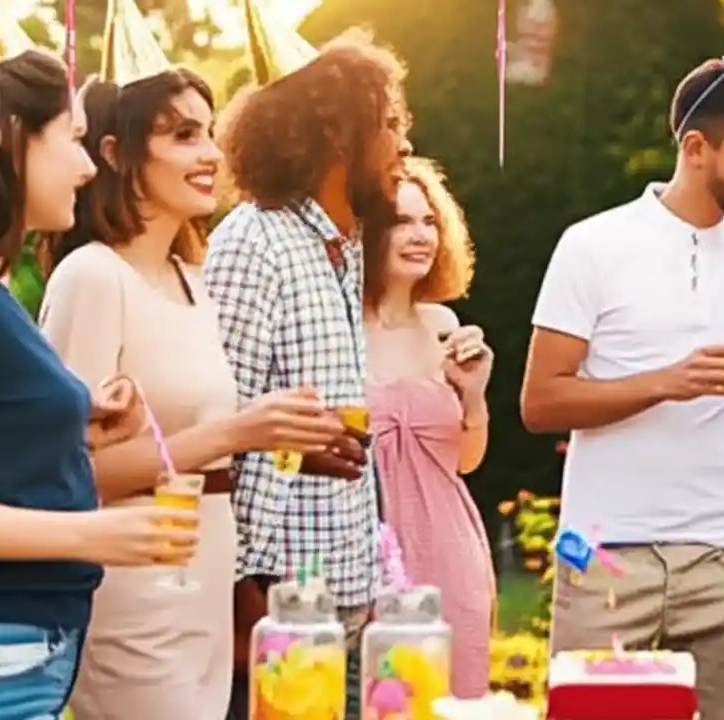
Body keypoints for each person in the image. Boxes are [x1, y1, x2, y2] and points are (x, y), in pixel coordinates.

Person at [36, 6, 347, 717]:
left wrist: (282, 440)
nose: (210, 153)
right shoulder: (92, 277)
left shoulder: (192, 281)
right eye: (182, 135)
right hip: (131, 591)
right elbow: (65, 474)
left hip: (206, 578)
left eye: (209, 133)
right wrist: (240, 433)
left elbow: (188, 444)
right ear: (114, 154)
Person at [519, 14, 724, 716]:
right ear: (695, 147)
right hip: (607, 561)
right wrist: (666, 383)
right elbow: (541, 402)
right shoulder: (592, 246)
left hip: (721, 563)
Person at [0, 50, 198, 719]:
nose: (90, 166)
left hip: (6, 656)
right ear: (11, 140)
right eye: (71, 138)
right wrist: (88, 533)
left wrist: (72, 415)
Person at [204, 16, 413, 716]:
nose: (404, 143)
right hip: (275, 608)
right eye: (388, 123)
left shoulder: (348, 247)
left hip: (348, 597)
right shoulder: (252, 239)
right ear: (337, 135)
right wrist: (242, 607)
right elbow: (217, 427)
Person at [361, 156, 494, 699]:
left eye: (429, 222)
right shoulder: (337, 327)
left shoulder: (445, 327)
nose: (421, 236)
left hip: (452, 551)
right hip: (367, 555)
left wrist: (475, 393)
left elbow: (465, 461)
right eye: (401, 221)